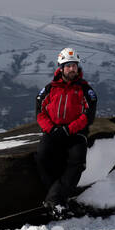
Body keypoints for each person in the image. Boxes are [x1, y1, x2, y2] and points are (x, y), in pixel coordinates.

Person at [34, 47, 98, 216]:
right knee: (42, 156)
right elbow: (40, 113)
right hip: (53, 132)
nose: (72, 69)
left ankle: (54, 199)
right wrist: (52, 129)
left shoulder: (85, 90)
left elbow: (88, 116)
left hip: (75, 134)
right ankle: (57, 198)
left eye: (74, 66)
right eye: (68, 65)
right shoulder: (49, 89)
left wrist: (68, 129)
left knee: (77, 162)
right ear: (61, 68)